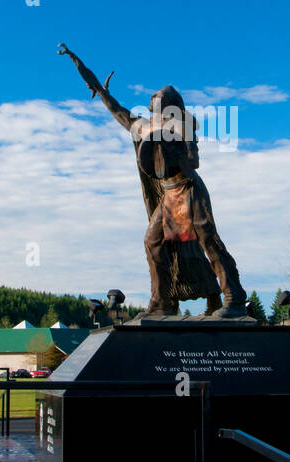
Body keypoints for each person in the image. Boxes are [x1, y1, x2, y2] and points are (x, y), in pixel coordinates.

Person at [58, 44, 246, 318]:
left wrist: (170, 146)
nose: (150, 102)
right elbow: (116, 109)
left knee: (209, 241)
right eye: (151, 100)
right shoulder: (144, 126)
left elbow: (192, 162)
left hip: (189, 189)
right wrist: (93, 82)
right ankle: (163, 302)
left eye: (156, 99)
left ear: (169, 104)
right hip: (170, 195)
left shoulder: (183, 125)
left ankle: (234, 298)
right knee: (153, 241)